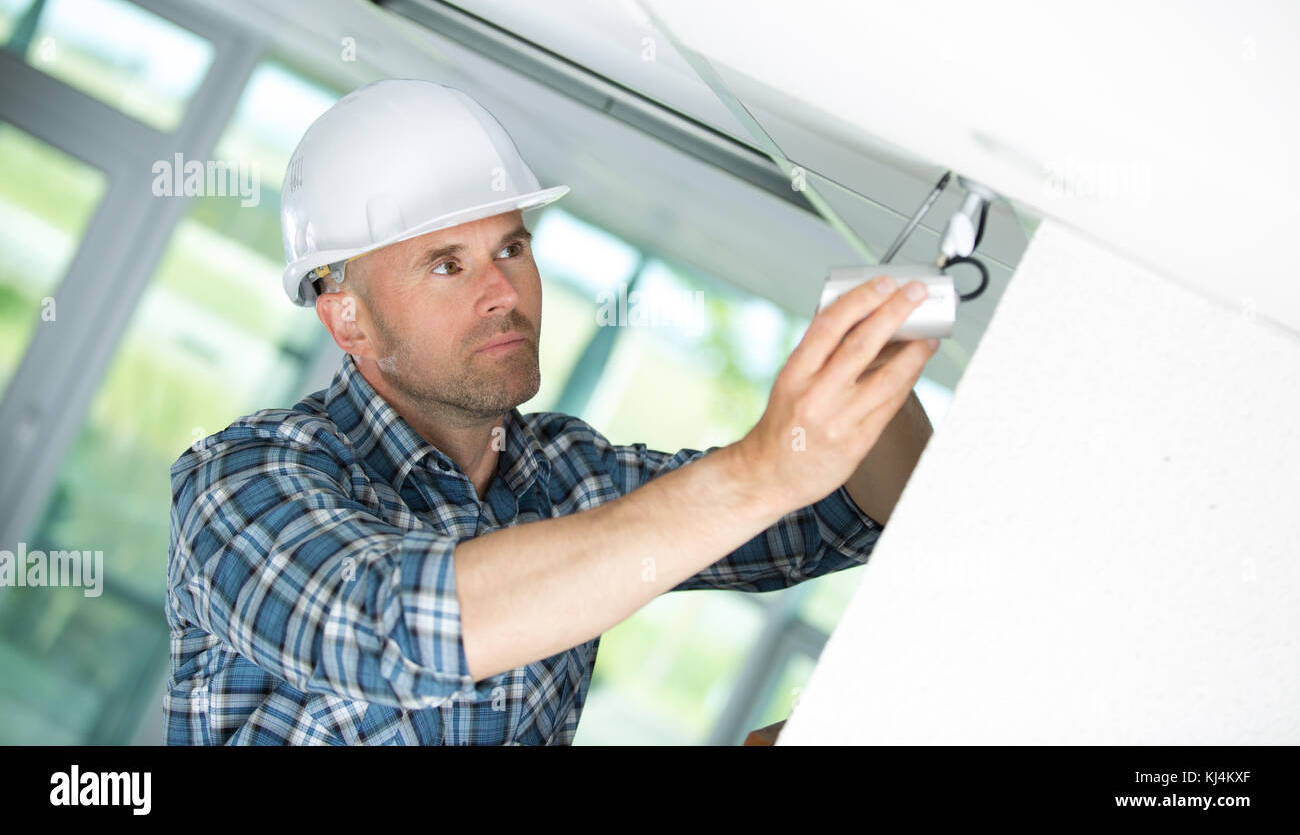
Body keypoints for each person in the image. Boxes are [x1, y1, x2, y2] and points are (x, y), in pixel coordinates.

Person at [164, 78, 938, 744]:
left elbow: (844, 513)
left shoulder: (566, 475)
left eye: (511, 248)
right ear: (347, 319)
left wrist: (879, 344)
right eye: (446, 265)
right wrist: (757, 472)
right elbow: (394, 633)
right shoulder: (240, 481)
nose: (503, 291)